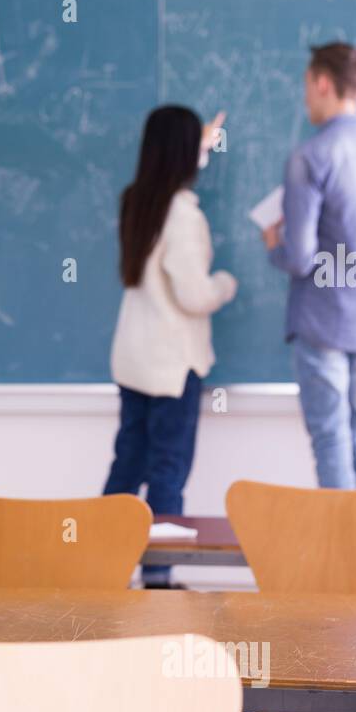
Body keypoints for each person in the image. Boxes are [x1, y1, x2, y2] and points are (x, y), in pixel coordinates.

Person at [264, 42, 356, 489]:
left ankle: (346, 558)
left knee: (330, 440)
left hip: (324, 321)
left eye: (308, 85)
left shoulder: (309, 157)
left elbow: (300, 256)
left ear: (324, 83)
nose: (306, 96)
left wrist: (274, 244)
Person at [104, 105, 236, 589]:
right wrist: (225, 283)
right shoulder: (183, 216)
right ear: (184, 154)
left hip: (134, 359)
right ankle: (158, 578)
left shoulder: (137, 200)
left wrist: (199, 140)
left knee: (128, 465)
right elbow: (193, 294)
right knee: (168, 469)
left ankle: (97, 566)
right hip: (173, 364)